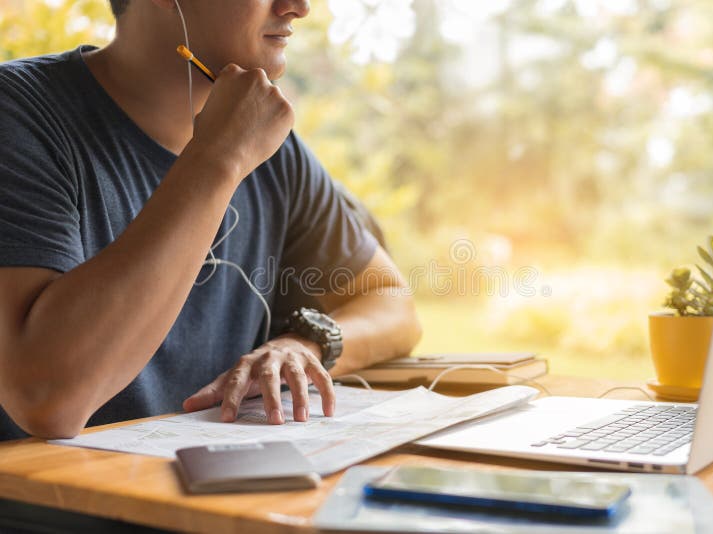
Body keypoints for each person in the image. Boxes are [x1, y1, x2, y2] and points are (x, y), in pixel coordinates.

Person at [0, 0, 422, 441]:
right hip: (56, 504)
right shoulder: (20, 114)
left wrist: (303, 344)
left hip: (213, 499)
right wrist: (220, 159)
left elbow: (389, 299)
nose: (299, 7)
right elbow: (45, 400)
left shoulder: (275, 152)